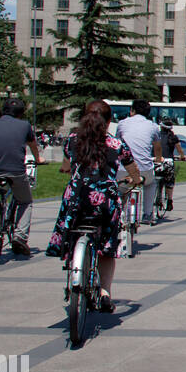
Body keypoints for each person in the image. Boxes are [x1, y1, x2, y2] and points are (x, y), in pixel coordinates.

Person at [46, 100, 143, 312]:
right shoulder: (116, 145)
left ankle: (73, 268)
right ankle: (105, 292)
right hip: (104, 202)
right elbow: (133, 171)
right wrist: (136, 179)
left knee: (71, 232)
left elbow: (65, 167)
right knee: (107, 247)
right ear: (109, 122)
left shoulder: (71, 140)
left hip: (76, 199)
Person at [0, 97, 44, 256]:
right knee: (25, 201)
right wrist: (38, 159)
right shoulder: (25, 125)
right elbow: (33, 144)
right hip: (15, 171)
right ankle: (20, 236)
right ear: (21, 113)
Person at [115, 99, 163, 226]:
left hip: (123, 168)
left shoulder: (121, 124)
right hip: (144, 168)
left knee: (121, 188)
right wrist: (158, 159)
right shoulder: (153, 126)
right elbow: (157, 147)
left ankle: (117, 213)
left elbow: (117, 145)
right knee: (151, 184)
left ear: (132, 111)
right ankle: (147, 214)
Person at [156, 117, 186, 212]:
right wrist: (182, 156)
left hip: (155, 161)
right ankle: (169, 201)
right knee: (169, 181)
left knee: (153, 180)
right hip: (168, 162)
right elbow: (179, 150)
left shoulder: (156, 136)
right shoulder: (173, 137)